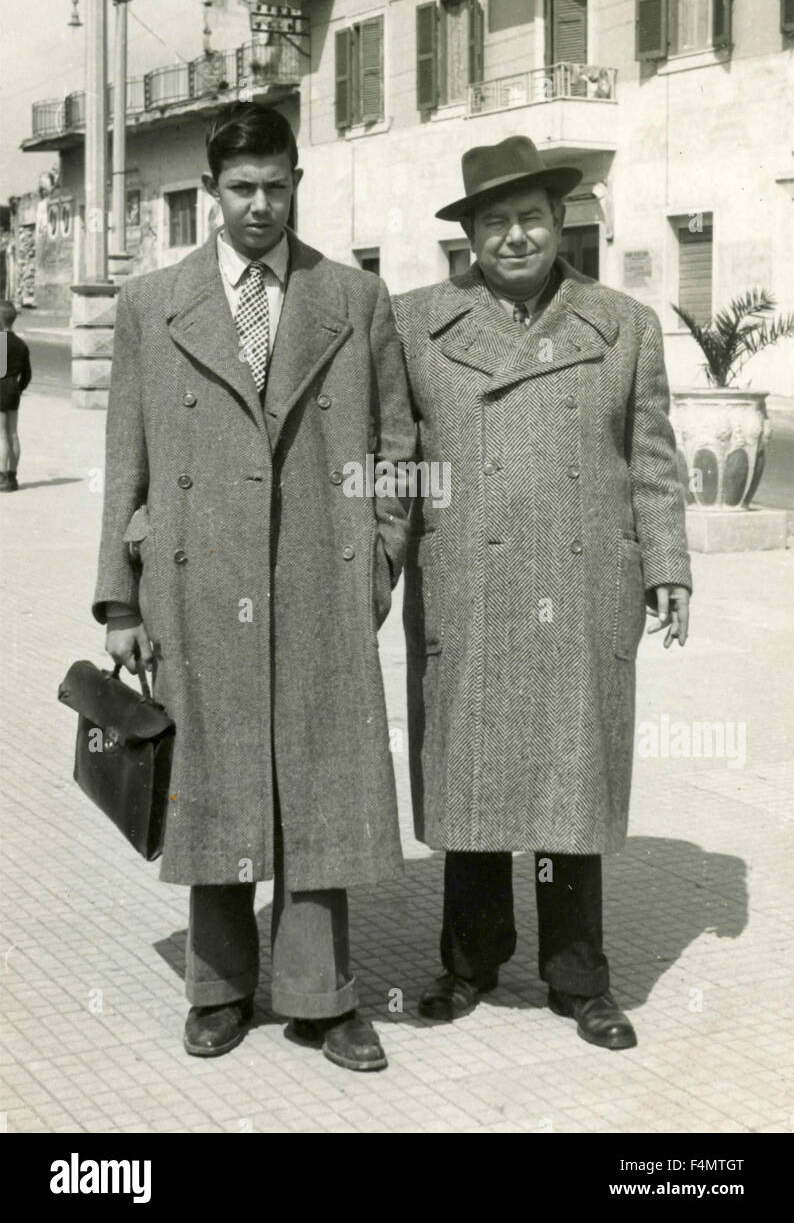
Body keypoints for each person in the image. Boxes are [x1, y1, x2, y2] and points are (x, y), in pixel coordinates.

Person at [94, 103, 415, 1070]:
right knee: (215, 782)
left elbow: (398, 447)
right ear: (211, 191)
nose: (261, 206)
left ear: (297, 184)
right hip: (197, 582)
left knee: (322, 783)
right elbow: (126, 463)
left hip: (322, 574)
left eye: (277, 186)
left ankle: (324, 997)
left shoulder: (354, 299)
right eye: (242, 189)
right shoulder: (153, 302)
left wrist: (379, 559)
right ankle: (220, 988)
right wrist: (118, 602)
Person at [391, 135, 692, 1050]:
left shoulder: (623, 323)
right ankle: (468, 963)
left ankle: (579, 979)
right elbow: (387, 464)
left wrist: (667, 564)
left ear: (561, 221)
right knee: (474, 781)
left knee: (571, 786)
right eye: (495, 221)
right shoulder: (413, 324)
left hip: (582, 580)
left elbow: (654, 461)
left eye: (530, 217)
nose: (515, 236)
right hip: (467, 584)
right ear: (468, 235)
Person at [0, 300, 32, 492]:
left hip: (1, 388)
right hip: (13, 389)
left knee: (1, 435)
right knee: (13, 434)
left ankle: (2, 476)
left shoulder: (1, 342)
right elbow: (27, 374)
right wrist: (19, 388)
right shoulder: (21, 344)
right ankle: (12, 476)